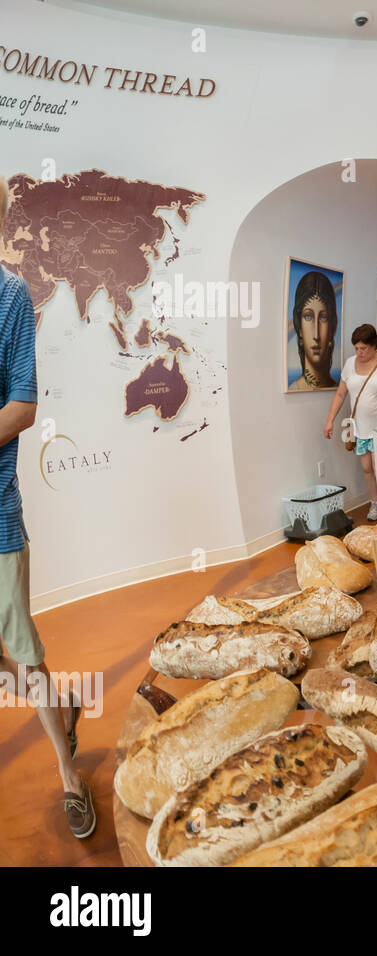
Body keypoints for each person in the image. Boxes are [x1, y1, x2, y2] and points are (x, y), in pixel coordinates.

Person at [0, 176, 93, 836]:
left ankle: (67, 770)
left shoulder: (10, 297)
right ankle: (62, 708)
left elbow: (24, 405)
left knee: (20, 650)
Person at [323, 324, 377, 522]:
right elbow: (341, 394)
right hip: (360, 429)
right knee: (367, 469)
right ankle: (375, 502)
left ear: (374, 345)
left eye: (363, 348)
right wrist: (329, 421)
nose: (359, 352)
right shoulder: (350, 364)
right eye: (356, 348)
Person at [287, 270, 339, 391]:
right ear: (299, 328)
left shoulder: (340, 389)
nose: (316, 335)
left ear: (332, 327)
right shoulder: (293, 389)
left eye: (324, 318)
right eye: (308, 317)